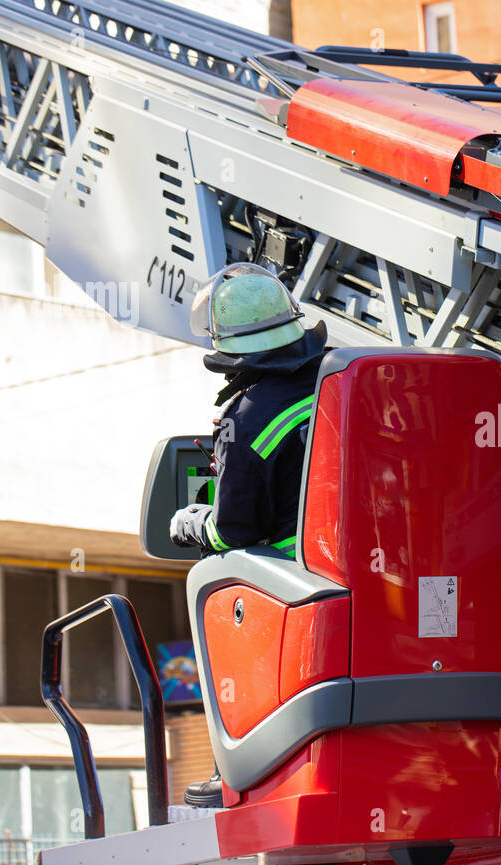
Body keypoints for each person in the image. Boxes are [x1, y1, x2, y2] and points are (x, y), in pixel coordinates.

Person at [168, 263, 327, 808]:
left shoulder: (250, 417)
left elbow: (235, 529)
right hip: (370, 575)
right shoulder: (339, 381)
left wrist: (193, 523)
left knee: (211, 578)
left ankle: (236, 758)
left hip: (294, 583)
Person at [169, 263, 328, 560]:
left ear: (227, 348)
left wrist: (188, 521)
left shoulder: (244, 422)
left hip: (304, 578)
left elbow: (232, 532)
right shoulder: (345, 375)